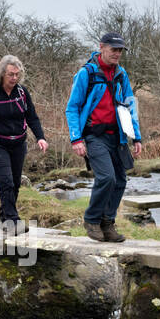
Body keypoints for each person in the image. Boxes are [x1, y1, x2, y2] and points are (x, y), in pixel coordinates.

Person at [64, 33, 142, 242]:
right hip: (93, 135)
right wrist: (76, 139)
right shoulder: (86, 73)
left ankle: (108, 223)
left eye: (120, 50)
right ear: (101, 48)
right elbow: (72, 108)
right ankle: (91, 219)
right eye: (113, 49)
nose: (117, 54)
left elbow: (129, 105)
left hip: (117, 137)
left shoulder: (121, 74)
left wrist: (137, 137)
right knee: (107, 177)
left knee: (120, 180)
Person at [0, 54, 48, 233]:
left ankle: (4, 216)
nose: (14, 78)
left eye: (17, 74)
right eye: (10, 74)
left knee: (15, 182)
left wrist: (40, 137)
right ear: (2, 74)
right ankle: (13, 221)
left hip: (19, 143)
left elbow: (32, 117)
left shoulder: (22, 92)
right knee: (5, 181)